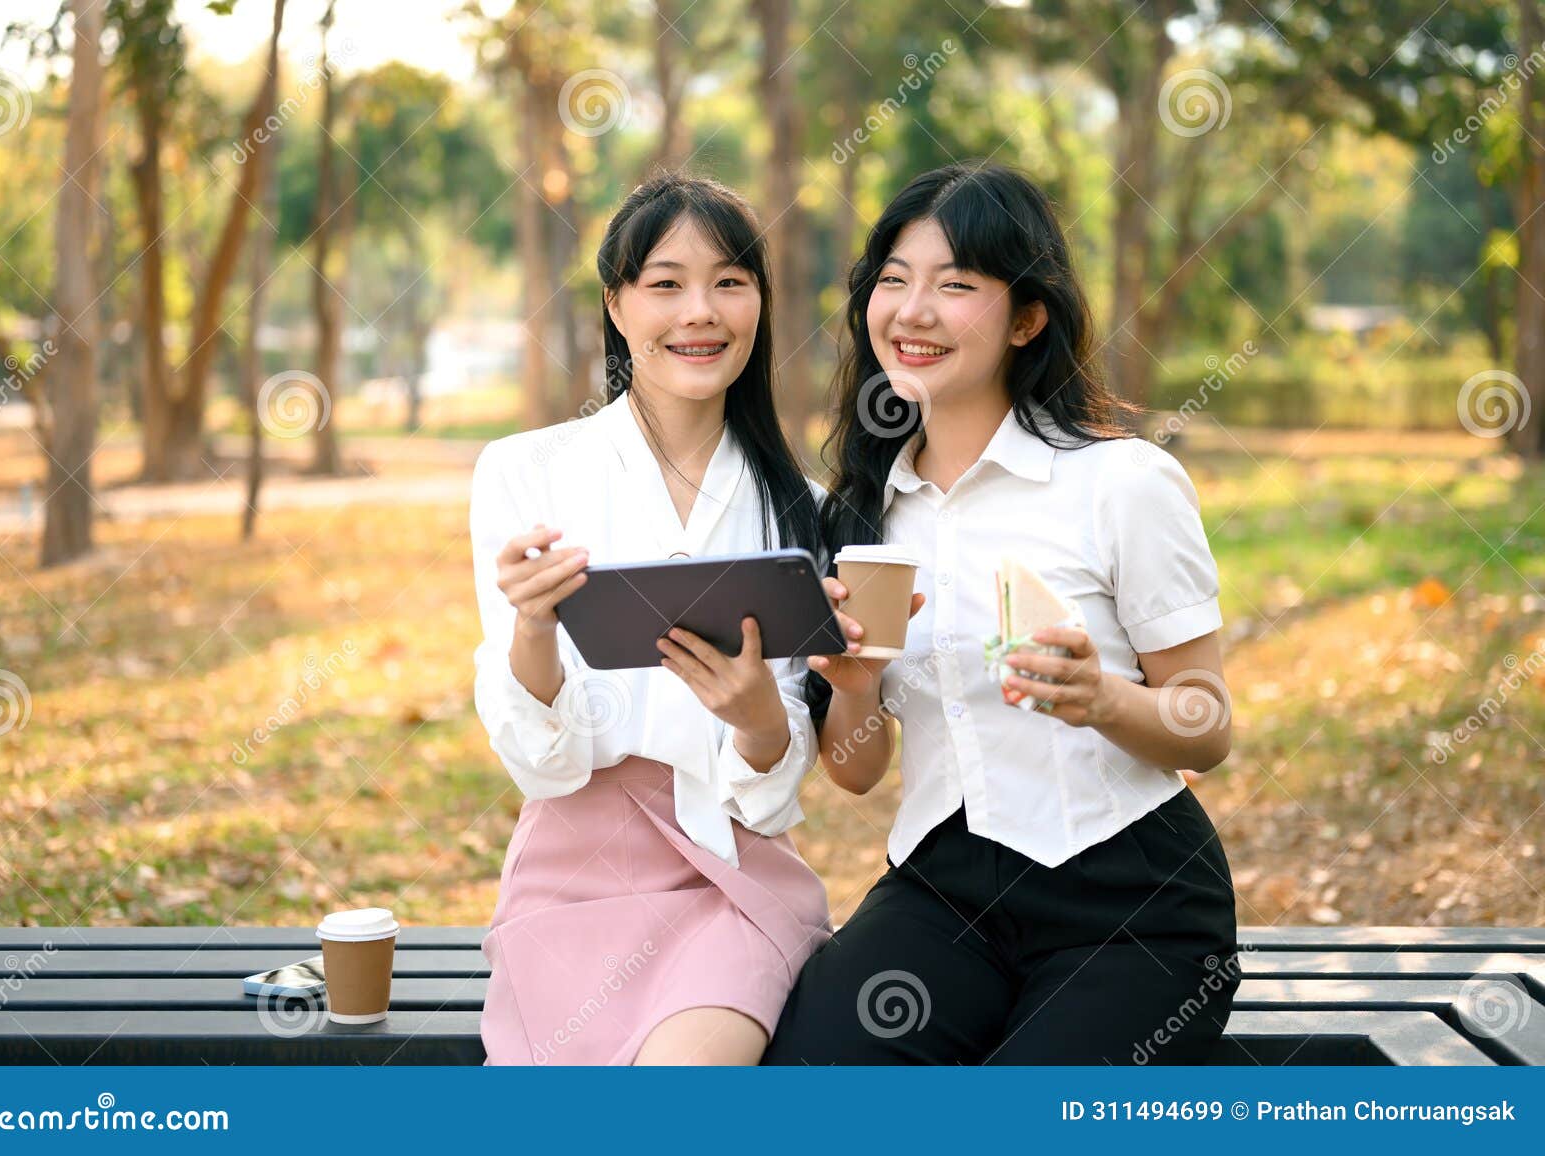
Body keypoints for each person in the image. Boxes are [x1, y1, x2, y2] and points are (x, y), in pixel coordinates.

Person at [762, 162, 1241, 1066]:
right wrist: (856, 691)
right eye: (893, 281)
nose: (914, 311)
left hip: (1131, 905)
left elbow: (1207, 726)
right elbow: (855, 775)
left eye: (956, 285)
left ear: (1027, 318)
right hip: (945, 897)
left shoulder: (1120, 482)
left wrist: (1103, 699)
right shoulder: (861, 515)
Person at [470, 173, 832, 1065]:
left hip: (734, 875)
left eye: (730, 282)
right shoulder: (527, 474)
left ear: (761, 303)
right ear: (617, 305)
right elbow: (537, 763)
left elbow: (776, 784)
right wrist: (532, 629)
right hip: (572, 871)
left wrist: (756, 724)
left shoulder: (806, 512)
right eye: (666, 283)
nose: (699, 312)